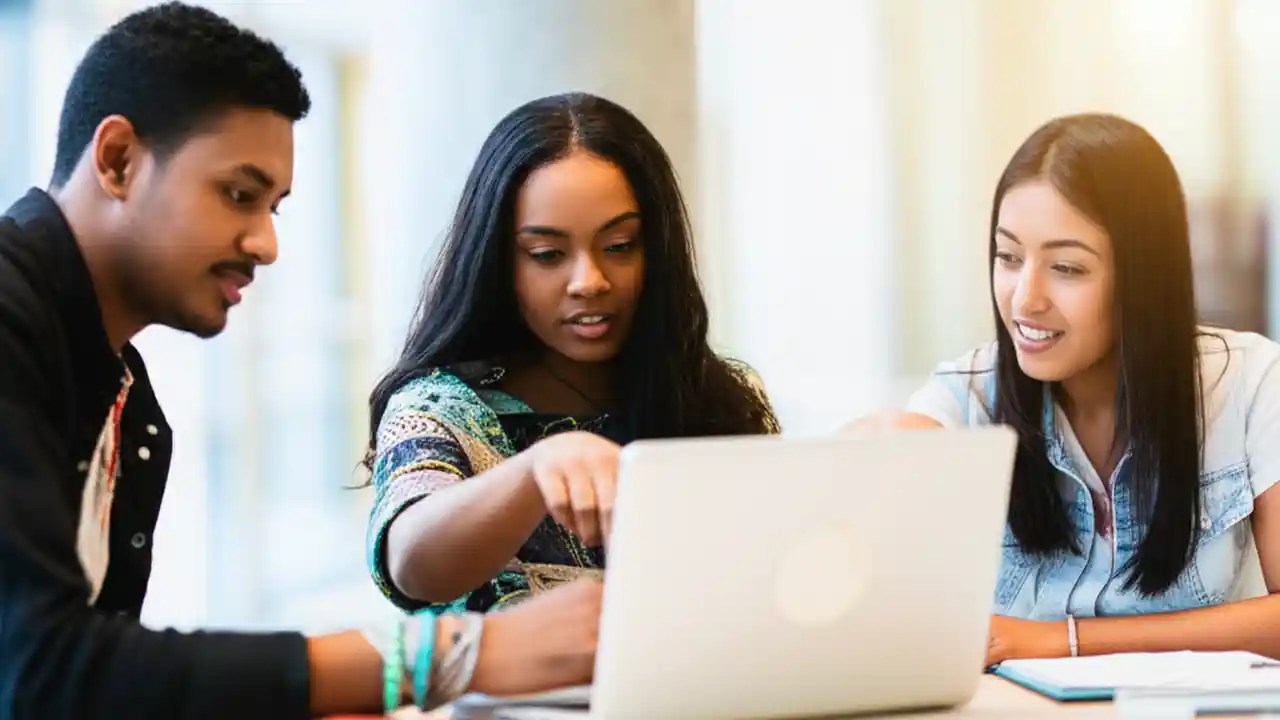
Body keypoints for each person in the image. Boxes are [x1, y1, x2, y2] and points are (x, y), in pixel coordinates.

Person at [0, 5, 601, 718]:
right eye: (238, 195)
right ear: (118, 160)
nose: (265, 244)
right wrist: (452, 656)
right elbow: (43, 671)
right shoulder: (14, 324)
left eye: (275, 208)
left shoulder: (120, 384)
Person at [859, 114, 1280, 666]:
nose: (1025, 298)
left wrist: (1064, 641)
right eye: (1008, 257)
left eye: (1066, 267)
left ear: (1142, 278)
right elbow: (883, 463)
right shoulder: (970, 398)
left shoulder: (1249, 383)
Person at [365, 92, 779, 614]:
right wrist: (539, 467)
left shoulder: (716, 395)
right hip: (507, 698)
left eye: (620, 245)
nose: (590, 281)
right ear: (499, 262)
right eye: (548, 255)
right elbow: (411, 563)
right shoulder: (440, 407)